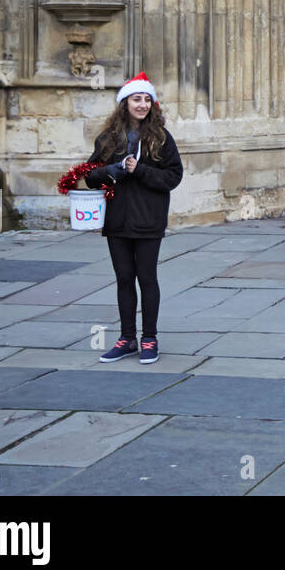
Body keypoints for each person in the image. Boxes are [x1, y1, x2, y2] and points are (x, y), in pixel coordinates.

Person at [88, 72, 183, 365]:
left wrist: (138, 170)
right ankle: (127, 338)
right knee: (124, 279)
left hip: (148, 219)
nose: (141, 105)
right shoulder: (108, 138)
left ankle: (150, 338)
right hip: (117, 219)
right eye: (135, 99)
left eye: (146, 99)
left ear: (152, 104)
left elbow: (173, 176)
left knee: (147, 278)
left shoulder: (162, 138)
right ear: (125, 103)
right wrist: (111, 170)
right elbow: (90, 176)